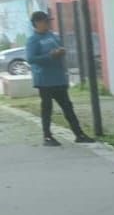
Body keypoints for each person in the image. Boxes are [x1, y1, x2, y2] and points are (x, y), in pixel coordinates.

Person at [24, 11, 95, 146]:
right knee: (47, 108)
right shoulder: (33, 40)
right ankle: (47, 136)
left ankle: (79, 134)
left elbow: (59, 48)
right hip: (44, 80)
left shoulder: (52, 35)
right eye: (45, 21)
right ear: (37, 23)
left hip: (58, 78)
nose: (48, 23)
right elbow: (31, 59)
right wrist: (50, 56)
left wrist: (60, 52)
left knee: (68, 107)